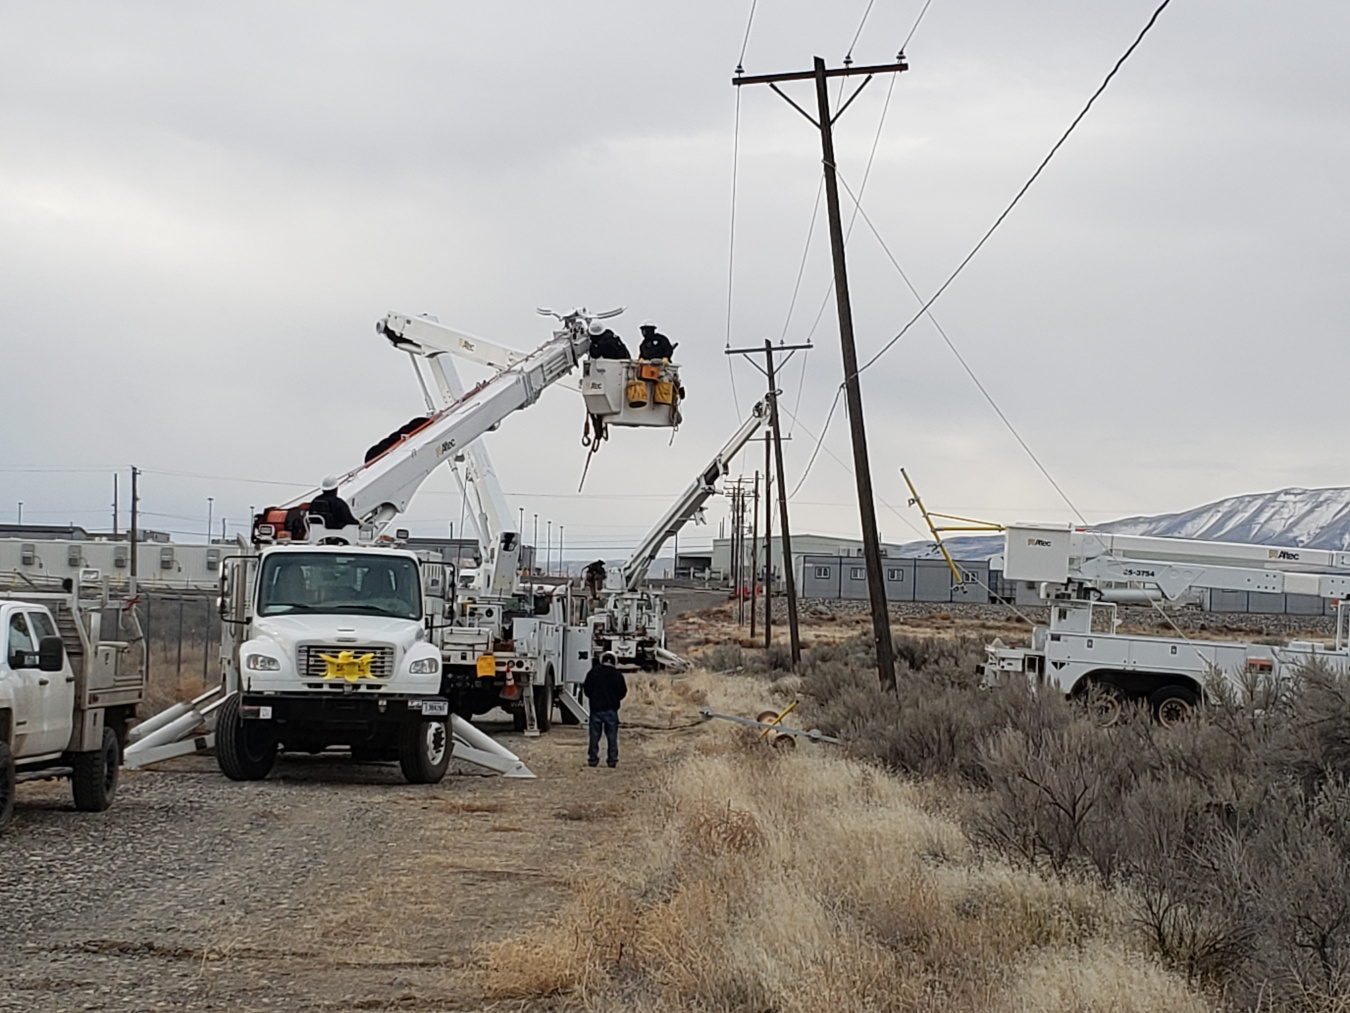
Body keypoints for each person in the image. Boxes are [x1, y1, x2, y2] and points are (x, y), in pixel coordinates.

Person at [582, 651, 627, 768]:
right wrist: (615, 699)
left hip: (596, 709)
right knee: (612, 737)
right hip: (611, 710)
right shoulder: (618, 675)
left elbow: (586, 689)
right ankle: (612, 760)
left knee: (594, 736)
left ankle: (593, 759)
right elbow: (622, 692)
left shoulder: (593, 673)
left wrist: (594, 698)